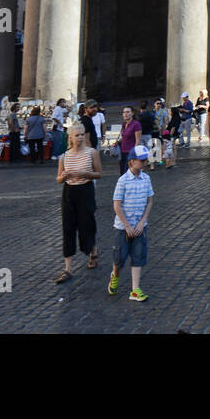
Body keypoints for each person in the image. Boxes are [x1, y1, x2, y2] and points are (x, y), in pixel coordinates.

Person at [55, 120, 102, 282]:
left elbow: (99, 173)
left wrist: (85, 173)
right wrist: (63, 177)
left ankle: (92, 250)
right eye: (77, 135)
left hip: (85, 190)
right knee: (68, 228)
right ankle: (68, 268)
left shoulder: (91, 153)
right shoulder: (64, 156)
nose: (80, 138)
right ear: (70, 138)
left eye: (82, 134)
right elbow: (58, 179)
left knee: (86, 223)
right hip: (69, 192)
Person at [108, 144, 153, 302]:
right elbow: (117, 205)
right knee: (119, 259)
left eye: (145, 160)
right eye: (141, 160)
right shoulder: (123, 181)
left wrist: (142, 222)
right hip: (122, 228)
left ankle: (135, 289)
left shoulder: (146, 179)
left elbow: (149, 201)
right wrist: (127, 225)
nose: (144, 162)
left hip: (140, 227)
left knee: (138, 256)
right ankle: (115, 275)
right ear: (132, 162)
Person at [118, 107, 141, 177]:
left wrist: (134, 155)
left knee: (128, 173)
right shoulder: (124, 124)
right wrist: (117, 142)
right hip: (122, 152)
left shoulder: (136, 124)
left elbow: (138, 141)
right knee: (122, 173)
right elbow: (124, 138)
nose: (125, 114)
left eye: (128, 112)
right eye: (124, 112)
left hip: (130, 153)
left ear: (132, 113)